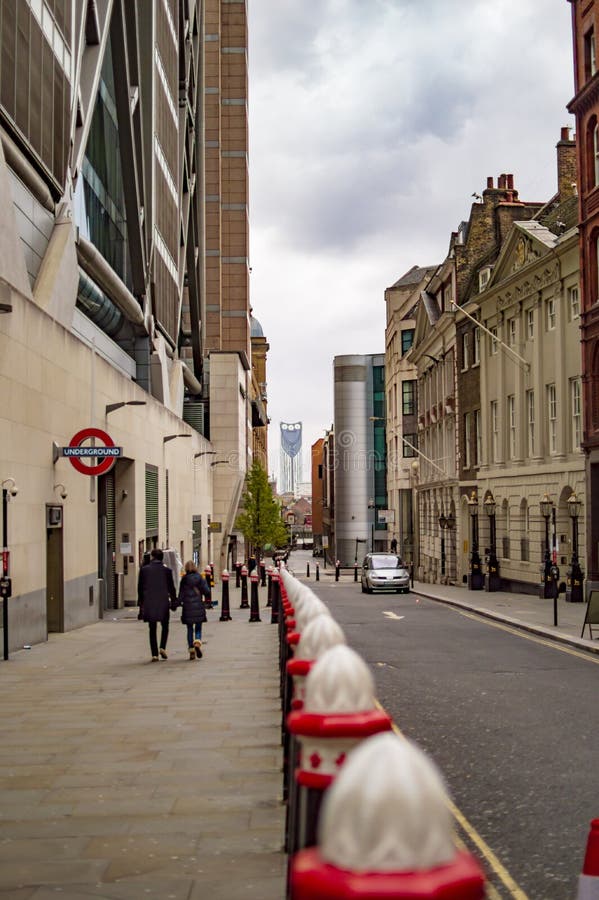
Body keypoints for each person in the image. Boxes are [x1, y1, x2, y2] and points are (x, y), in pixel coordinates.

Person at [137, 548, 177, 661]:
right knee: (165, 626)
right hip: (163, 601)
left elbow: (140, 587)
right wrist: (174, 601)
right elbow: (171, 588)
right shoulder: (167, 571)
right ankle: (162, 646)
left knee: (152, 628)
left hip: (149, 601)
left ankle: (154, 654)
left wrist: (140, 602)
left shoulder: (144, 570)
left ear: (152, 557)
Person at [173, 561, 212, 660]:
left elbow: (181, 595)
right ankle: (197, 642)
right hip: (198, 606)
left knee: (189, 629)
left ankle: (191, 649)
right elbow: (207, 591)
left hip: (187, 607)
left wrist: (175, 604)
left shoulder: (184, 580)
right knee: (198, 627)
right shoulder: (200, 578)